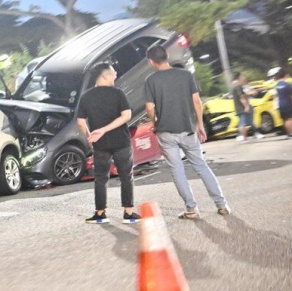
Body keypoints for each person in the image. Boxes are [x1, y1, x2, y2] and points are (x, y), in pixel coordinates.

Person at [144, 45, 230, 220]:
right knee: (201, 166)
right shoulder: (185, 75)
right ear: (166, 56)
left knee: (177, 170)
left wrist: (155, 122)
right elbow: (197, 102)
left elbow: (149, 108)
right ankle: (222, 205)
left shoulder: (150, 80)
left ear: (151, 61)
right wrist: (200, 124)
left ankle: (192, 209)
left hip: (166, 132)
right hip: (188, 129)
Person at [76, 62, 140, 224]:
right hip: (121, 142)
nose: (116, 75)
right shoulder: (118, 94)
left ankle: (100, 214)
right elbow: (126, 116)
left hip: (100, 144)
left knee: (100, 178)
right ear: (105, 75)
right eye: (113, 72)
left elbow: (80, 122)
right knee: (126, 176)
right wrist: (105, 129)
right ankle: (128, 213)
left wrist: (90, 137)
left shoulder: (86, 96)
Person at [231, 72, 260, 142]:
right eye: (242, 76)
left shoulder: (234, 86)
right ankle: (244, 138)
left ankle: (247, 136)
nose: (243, 77)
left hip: (238, 107)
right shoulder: (238, 86)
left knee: (246, 122)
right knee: (242, 123)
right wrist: (246, 106)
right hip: (241, 108)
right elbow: (241, 97)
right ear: (239, 77)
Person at [275, 67, 292, 137]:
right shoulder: (287, 85)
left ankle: (287, 133)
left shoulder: (277, 85)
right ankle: (291, 132)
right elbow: (290, 95)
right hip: (287, 103)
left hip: (280, 104)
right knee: (289, 119)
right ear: (285, 75)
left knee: (284, 119)